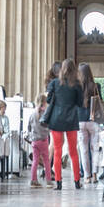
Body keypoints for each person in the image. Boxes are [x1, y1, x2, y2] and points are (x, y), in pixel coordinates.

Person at [43, 58, 82, 191]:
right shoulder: (77, 84)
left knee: (58, 151)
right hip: (71, 120)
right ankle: (77, 181)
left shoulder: (54, 83)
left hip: (56, 119)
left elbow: (48, 99)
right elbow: (80, 103)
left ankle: (58, 182)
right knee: (73, 152)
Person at [77, 63, 104, 184]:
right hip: (93, 121)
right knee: (95, 150)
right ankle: (94, 175)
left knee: (84, 150)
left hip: (80, 121)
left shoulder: (76, 87)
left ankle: (86, 176)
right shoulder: (95, 86)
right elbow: (101, 101)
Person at [26, 94, 51, 186]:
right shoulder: (45, 114)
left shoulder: (32, 114)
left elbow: (28, 127)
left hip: (34, 141)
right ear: (45, 103)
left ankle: (33, 180)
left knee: (35, 161)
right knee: (46, 161)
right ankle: (48, 180)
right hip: (44, 140)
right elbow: (48, 127)